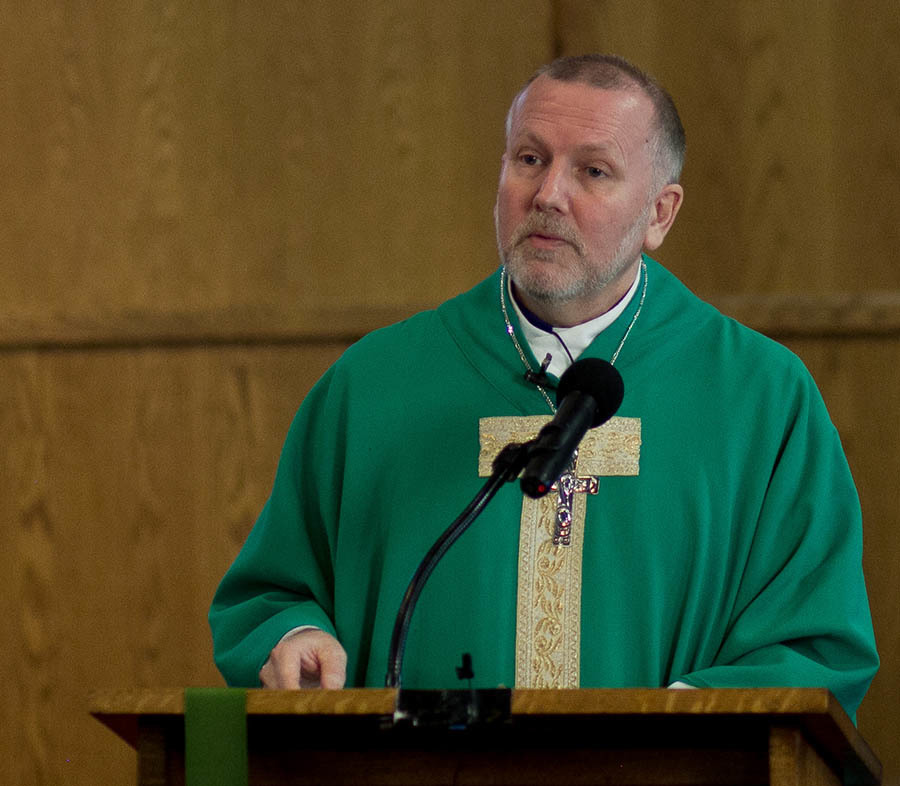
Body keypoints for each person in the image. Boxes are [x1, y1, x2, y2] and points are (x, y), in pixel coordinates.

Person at [209, 54, 879, 718]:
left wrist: (679, 726)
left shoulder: (759, 399)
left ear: (660, 214)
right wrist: (295, 636)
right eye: (529, 159)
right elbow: (270, 595)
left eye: (592, 171)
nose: (548, 195)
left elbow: (814, 643)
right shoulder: (370, 387)